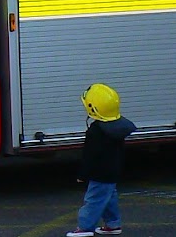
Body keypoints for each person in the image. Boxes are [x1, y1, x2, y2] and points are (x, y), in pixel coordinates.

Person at [66, 83, 137, 237]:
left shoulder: (96, 131)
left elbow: (90, 156)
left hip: (99, 174)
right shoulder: (118, 128)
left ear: (93, 108)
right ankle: (113, 225)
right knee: (109, 198)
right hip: (113, 172)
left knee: (93, 201)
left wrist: (82, 175)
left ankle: (84, 228)